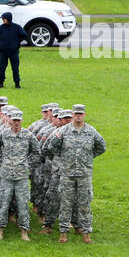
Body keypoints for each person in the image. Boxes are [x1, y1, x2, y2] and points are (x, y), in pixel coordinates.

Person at [47, 104, 106, 243]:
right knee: (65, 204)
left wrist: (88, 158)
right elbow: (51, 146)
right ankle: (63, 233)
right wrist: (64, 157)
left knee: (84, 204)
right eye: (76, 114)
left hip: (84, 174)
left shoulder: (91, 131)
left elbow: (102, 146)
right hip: (67, 173)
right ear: (73, 114)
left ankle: (86, 233)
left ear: (84, 115)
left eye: (81, 114)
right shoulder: (63, 131)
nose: (78, 116)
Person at [0, 108, 41, 240]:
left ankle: (24, 231)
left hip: (22, 176)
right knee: (3, 204)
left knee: (23, 204)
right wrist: (2, 162)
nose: (16, 123)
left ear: (21, 121)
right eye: (14, 120)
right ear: (9, 120)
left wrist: (27, 165)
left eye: (18, 120)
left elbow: (37, 152)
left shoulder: (28, 135)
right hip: (7, 176)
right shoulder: (4, 134)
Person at [0, 12, 28, 89]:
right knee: (2, 68)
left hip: (14, 52)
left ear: (8, 19)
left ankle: (17, 84)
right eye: (2, 19)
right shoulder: (1, 28)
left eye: (4, 18)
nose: (3, 20)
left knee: (15, 68)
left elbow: (24, 35)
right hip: (3, 52)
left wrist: (17, 42)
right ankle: (0, 83)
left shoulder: (16, 27)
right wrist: (3, 43)